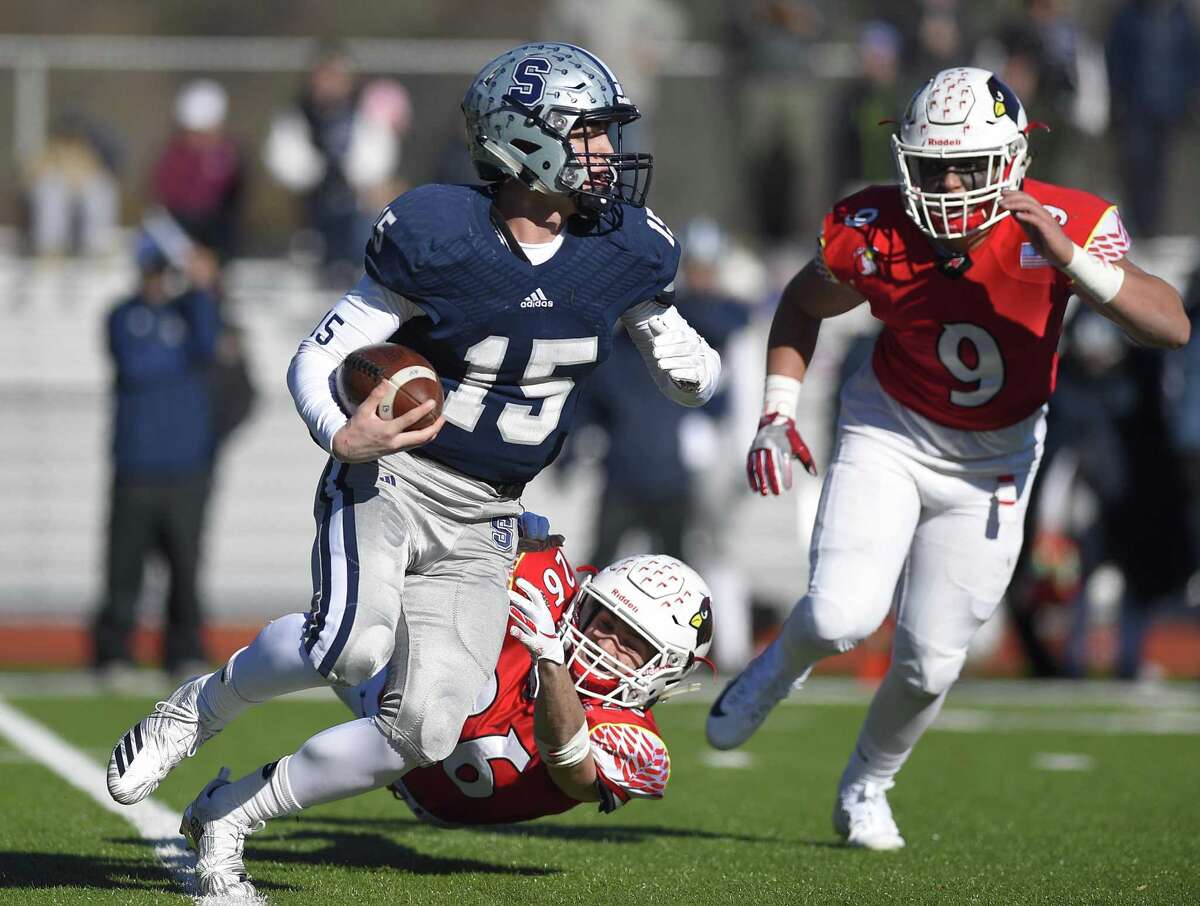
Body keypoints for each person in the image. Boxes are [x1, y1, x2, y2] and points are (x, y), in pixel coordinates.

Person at [105, 42, 721, 899]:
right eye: (588, 134)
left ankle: (231, 814)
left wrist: (690, 362)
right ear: (526, 140)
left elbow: (670, 340)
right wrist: (340, 433)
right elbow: (319, 357)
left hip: (491, 509)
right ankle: (199, 708)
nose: (608, 154)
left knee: (427, 728)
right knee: (353, 648)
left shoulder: (624, 246)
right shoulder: (441, 232)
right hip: (395, 472)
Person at [706, 66, 1188, 851]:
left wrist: (1070, 258)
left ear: (1013, 161)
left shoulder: (1070, 222)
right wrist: (776, 410)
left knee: (930, 663)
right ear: (907, 162)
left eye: (971, 165)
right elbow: (801, 302)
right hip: (890, 428)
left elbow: (1168, 325)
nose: (952, 185)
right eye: (935, 166)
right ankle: (776, 666)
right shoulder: (874, 228)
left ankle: (866, 785)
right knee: (839, 613)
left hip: (995, 459)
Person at [340, 544, 713, 826]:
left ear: (665, 668)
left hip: (436, 797)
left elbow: (574, 776)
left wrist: (550, 661)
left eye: (631, 643)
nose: (605, 642)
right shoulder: (546, 591)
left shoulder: (635, 742)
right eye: (606, 622)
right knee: (335, 643)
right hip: (389, 683)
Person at [91, 237, 222, 679]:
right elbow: (136, 365)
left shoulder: (190, 312)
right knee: (124, 564)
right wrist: (178, 354)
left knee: (185, 565)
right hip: (136, 464)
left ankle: (183, 649)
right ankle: (113, 650)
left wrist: (204, 290)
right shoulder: (123, 315)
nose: (157, 279)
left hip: (185, 468)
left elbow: (207, 345)